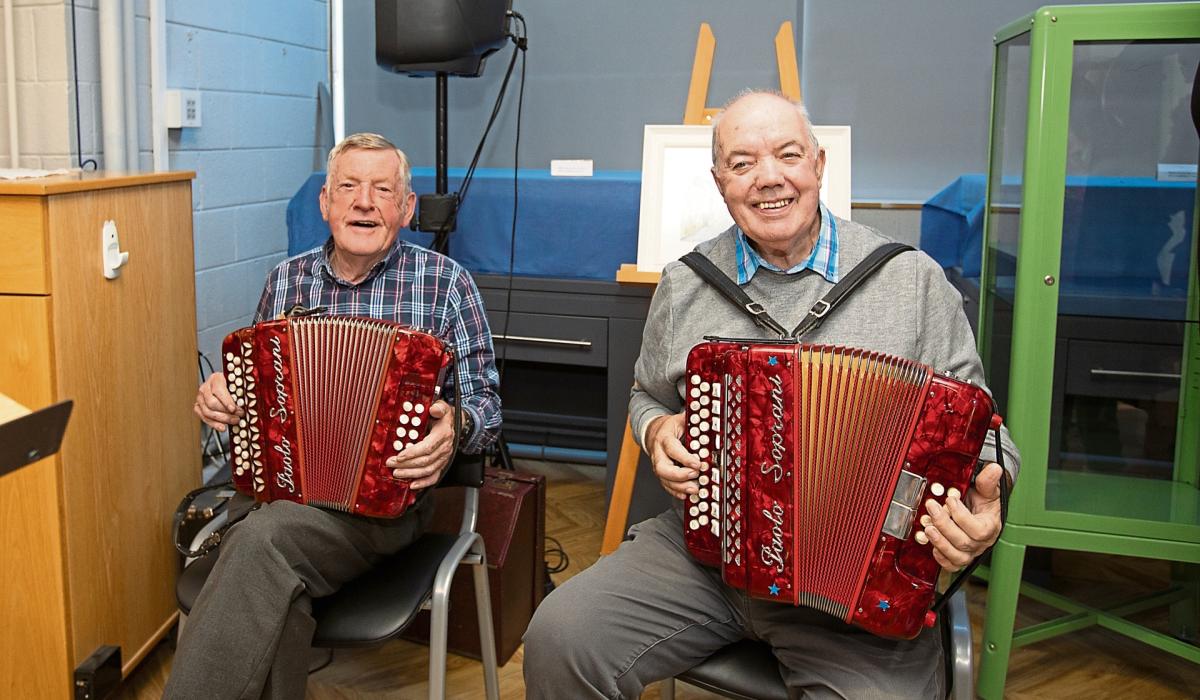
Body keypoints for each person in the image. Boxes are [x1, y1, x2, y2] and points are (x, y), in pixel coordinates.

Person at [522, 91, 1020, 699]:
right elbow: (646, 395)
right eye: (742, 162)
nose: (769, 178)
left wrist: (986, 504)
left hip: (859, 585)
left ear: (818, 164)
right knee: (560, 636)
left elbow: (985, 433)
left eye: (788, 154)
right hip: (705, 556)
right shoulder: (687, 284)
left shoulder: (910, 280)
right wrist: (656, 432)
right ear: (718, 181)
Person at [168, 133, 502, 699]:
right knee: (278, 583)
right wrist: (222, 398)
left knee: (258, 542)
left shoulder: (447, 285)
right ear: (325, 203)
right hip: (282, 495)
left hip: (386, 508)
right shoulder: (285, 282)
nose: (364, 202)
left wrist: (456, 428)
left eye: (382, 189)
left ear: (406, 208)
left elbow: (489, 405)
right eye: (348, 187)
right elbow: (255, 396)